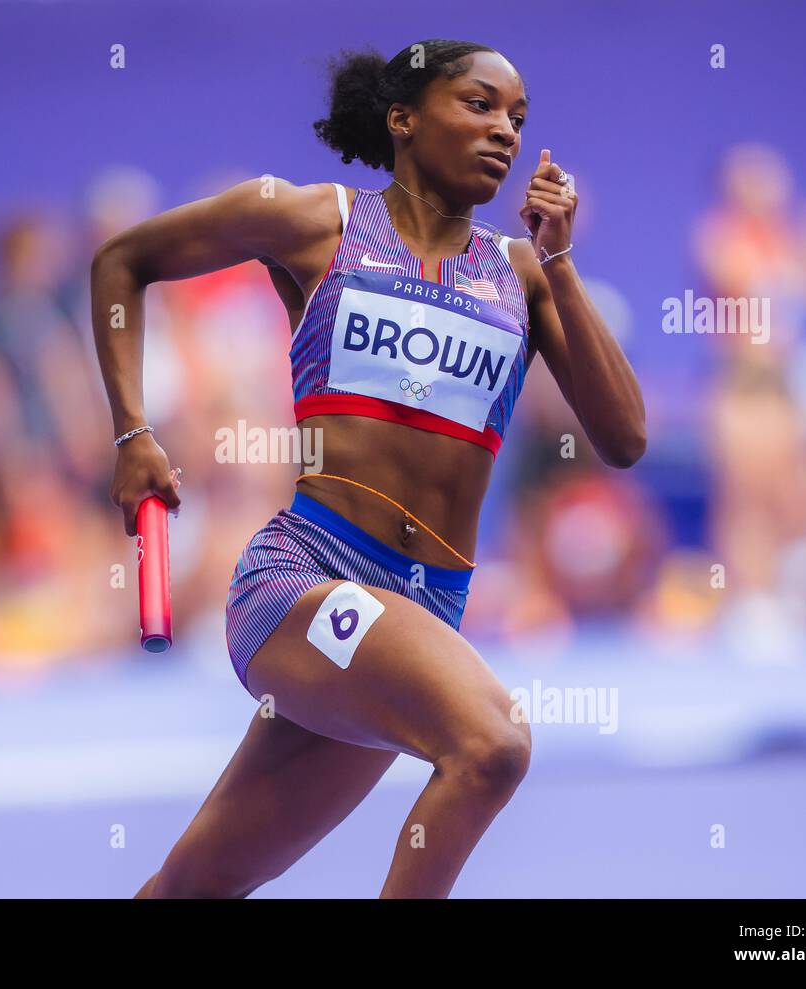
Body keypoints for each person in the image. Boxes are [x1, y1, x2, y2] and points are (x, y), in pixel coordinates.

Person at [92, 40, 645, 898]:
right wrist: (134, 434)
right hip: (304, 581)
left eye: (518, 118)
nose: (504, 130)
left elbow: (625, 438)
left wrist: (562, 262)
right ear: (404, 119)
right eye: (478, 104)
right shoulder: (317, 220)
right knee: (492, 743)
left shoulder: (521, 274)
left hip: (425, 614)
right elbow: (122, 261)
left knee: (190, 886)